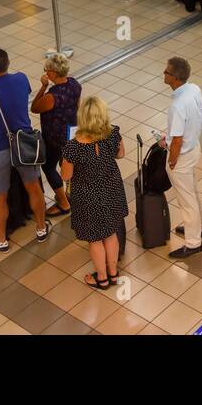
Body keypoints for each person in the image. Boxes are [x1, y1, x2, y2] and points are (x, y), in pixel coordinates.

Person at [0, 48, 51, 251]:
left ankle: (2, 240)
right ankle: (41, 228)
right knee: (33, 187)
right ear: (8, 64)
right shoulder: (21, 79)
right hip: (24, 145)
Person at [60, 95, 127, 289]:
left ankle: (102, 278)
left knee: (95, 238)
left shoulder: (73, 147)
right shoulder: (113, 133)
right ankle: (114, 274)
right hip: (112, 190)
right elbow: (121, 154)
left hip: (87, 196)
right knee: (111, 233)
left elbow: (65, 176)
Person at [162, 56, 202, 259]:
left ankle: (193, 242)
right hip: (194, 146)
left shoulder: (178, 105)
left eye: (167, 72)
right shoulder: (194, 89)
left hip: (183, 155)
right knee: (193, 192)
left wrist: (172, 161)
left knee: (186, 200)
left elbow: (177, 140)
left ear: (176, 78)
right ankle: (199, 228)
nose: (164, 73)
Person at [32, 51, 80, 217]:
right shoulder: (75, 84)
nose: (45, 72)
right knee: (66, 164)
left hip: (54, 138)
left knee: (48, 167)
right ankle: (73, 193)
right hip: (71, 133)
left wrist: (43, 86)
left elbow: (35, 107)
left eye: (46, 69)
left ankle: (64, 203)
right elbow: (77, 106)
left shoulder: (52, 96)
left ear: (53, 73)